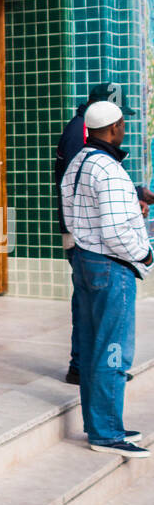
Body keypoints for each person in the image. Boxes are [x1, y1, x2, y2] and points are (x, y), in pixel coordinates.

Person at [61, 100, 154, 457]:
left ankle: (101, 424)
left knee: (93, 346)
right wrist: (144, 254)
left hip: (86, 261)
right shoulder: (109, 169)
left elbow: (72, 214)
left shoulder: (79, 163)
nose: (124, 129)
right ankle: (107, 433)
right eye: (123, 125)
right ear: (114, 129)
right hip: (111, 266)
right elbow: (116, 231)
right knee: (113, 351)